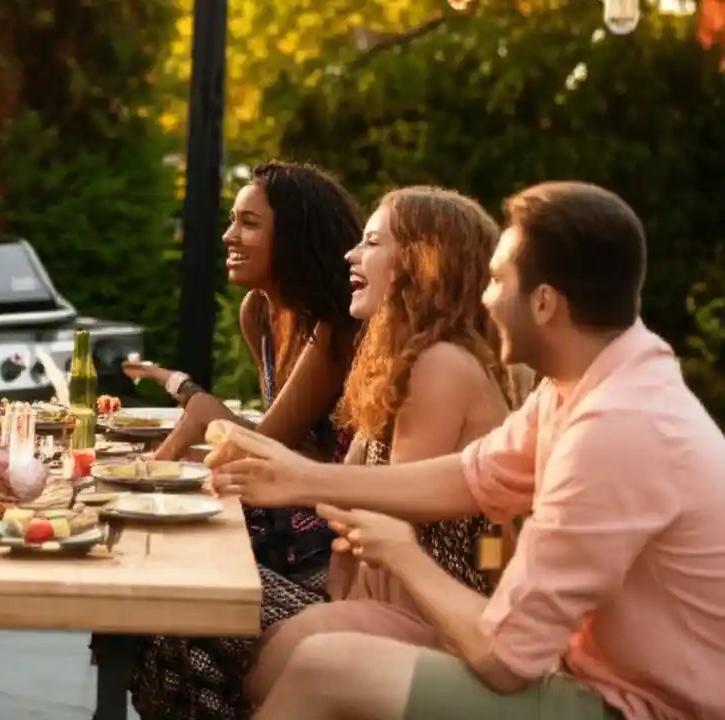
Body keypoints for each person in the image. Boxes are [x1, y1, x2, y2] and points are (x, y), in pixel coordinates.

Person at [210, 182, 725, 720]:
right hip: (581, 679)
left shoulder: (618, 427)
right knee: (315, 658)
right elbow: (468, 476)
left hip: (634, 708)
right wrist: (297, 478)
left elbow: (507, 658)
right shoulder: (584, 386)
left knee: (326, 667)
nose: (483, 296)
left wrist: (400, 552)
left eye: (499, 281)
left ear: (544, 302)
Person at [241, 186, 519, 706]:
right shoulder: (405, 359)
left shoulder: (442, 364)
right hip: (392, 599)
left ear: (420, 264)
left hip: (437, 617)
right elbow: (348, 504)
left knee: (230, 641)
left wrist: (336, 607)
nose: (351, 254)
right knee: (183, 623)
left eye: (371, 242)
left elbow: (387, 513)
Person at [129, 162, 362, 720]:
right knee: (143, 597)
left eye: (249, 223)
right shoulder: (258, 312)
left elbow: (262, 445)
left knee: (170, 603)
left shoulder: (331, 328)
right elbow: (268, 440)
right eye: (232, 221)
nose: (230, 236)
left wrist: (197, 404)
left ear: (295, 235)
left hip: (320, 541)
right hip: (279, 511)